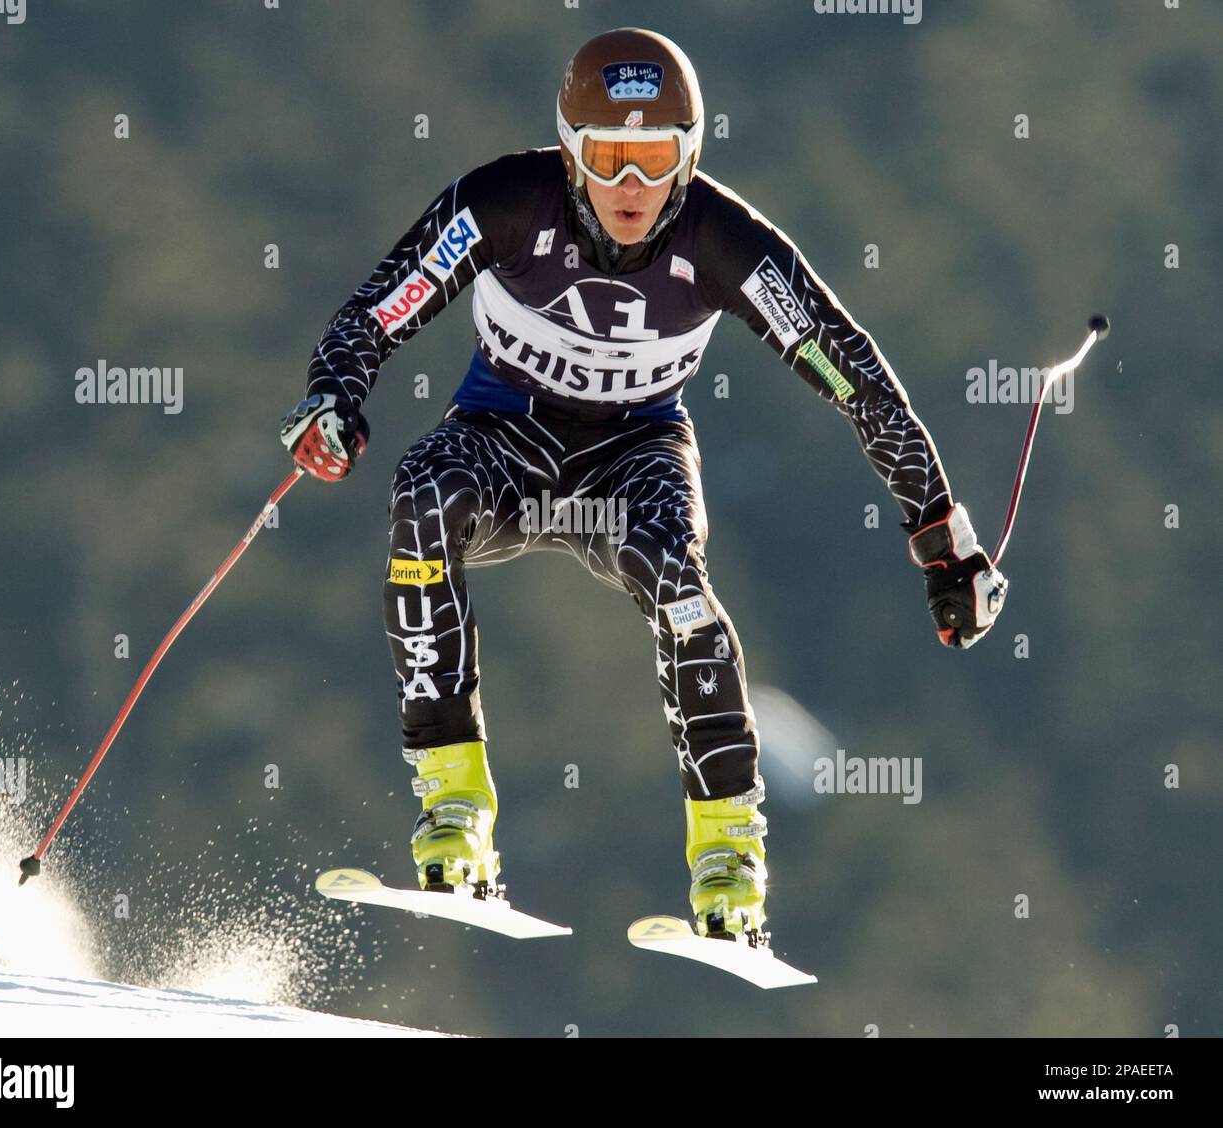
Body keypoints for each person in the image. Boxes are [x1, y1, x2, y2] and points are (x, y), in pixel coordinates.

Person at [280, 28, 1008, 944]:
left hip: (635, 454)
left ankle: (729, 856)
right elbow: (376, 311)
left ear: (689, 155)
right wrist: (333, 400)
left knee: (676, 580)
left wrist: (943, 538)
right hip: (502, 438)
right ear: (570, 149)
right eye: (609, 158)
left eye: (655, 159)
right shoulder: (505, 199)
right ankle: (456, 811)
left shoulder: (724, 239)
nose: (631, 187)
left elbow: (852, 374)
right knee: (424, 499)